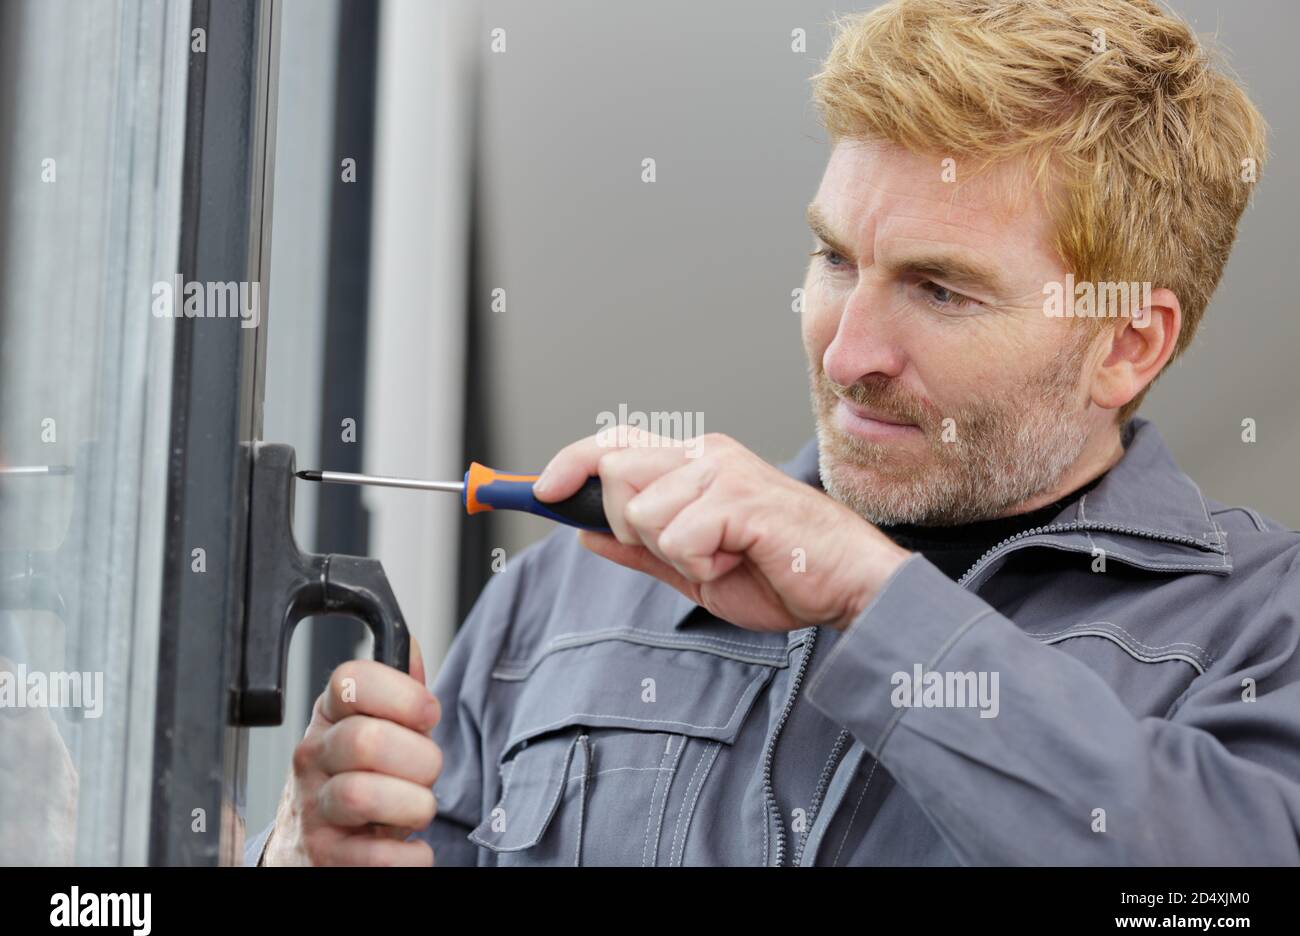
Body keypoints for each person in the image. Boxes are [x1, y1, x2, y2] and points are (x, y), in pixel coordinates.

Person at [249, 0, 1300, 866]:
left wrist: (871, 596)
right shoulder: (573, 594)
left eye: (940, 290)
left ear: (1126, 342)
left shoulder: (1266, 628)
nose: (847, 354)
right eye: (837, 259)